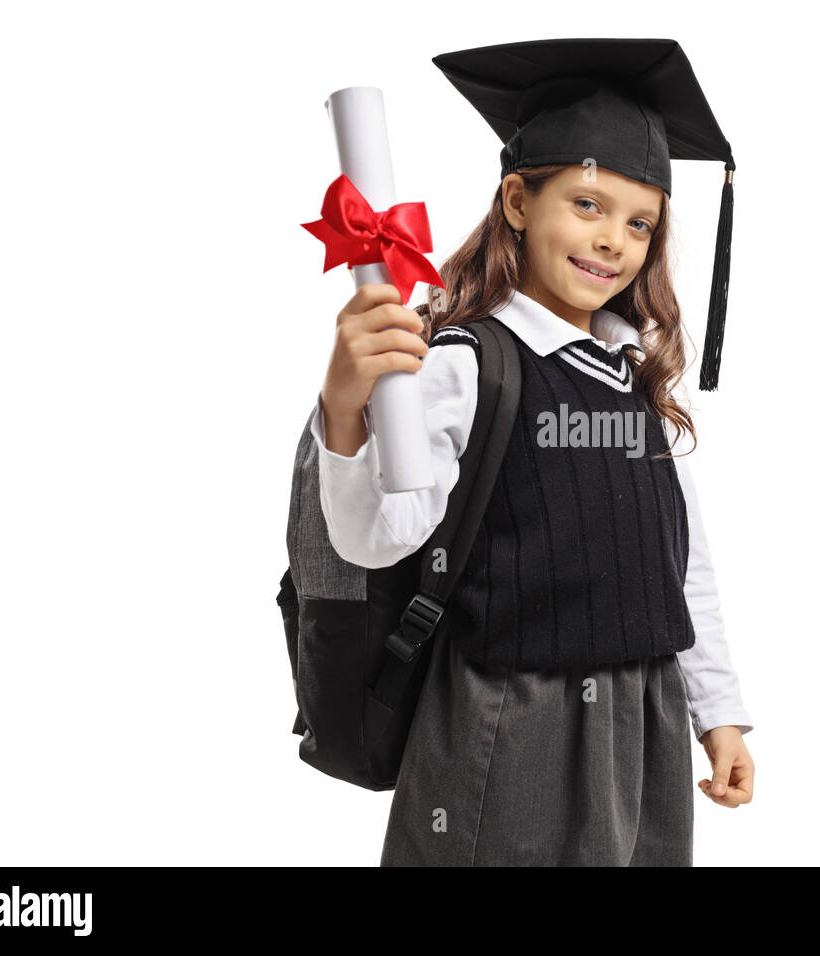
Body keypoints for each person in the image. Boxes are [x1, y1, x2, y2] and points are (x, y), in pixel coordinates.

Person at [310, 37, 755, 866]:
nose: (614, 240)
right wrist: (347, 409)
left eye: (639, 221)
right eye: (587, 204)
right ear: (517, 200)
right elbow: (381, 538)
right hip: (510, 720)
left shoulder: (633, 381)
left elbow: (680, 564)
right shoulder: (466, 365)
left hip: (643, 716)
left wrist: (716, 712)